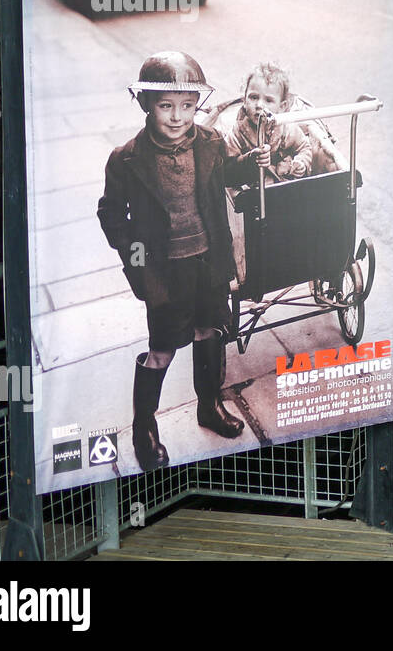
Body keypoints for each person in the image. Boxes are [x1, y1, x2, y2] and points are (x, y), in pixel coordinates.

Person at [97, 51, 268, 472]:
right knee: (161, 350)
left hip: (209, 263)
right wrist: (135, 262)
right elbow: (110, 215)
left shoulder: (210, 143)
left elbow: (225, 176)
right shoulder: (126, 158)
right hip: (164, 272)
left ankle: (208, 407)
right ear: (147, 105)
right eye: (166, 106)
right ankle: (145, 428)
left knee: (210, 333)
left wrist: (251, 163)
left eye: (188, 106)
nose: (178, 116)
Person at [224, 62, 313, 183]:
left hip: (282, 184)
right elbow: (228, 166)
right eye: (253, 97)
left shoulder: (286, 128)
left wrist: (301, 163)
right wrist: (249, 160)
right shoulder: (238, 132)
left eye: (268, 100)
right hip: (251, 188)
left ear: (282, 107)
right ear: (244, 100)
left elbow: (304, 147)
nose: (260, 105)